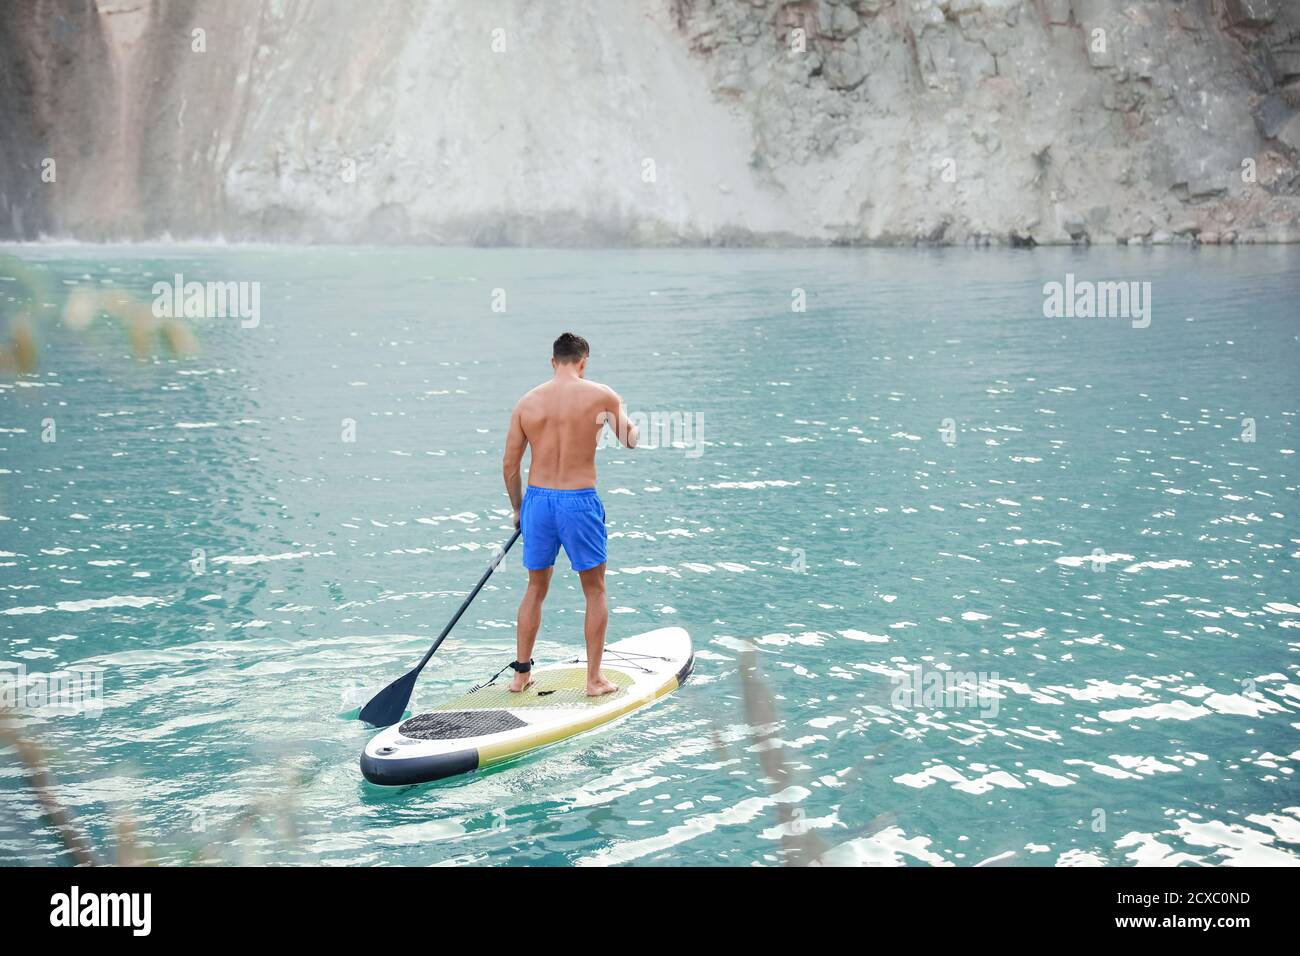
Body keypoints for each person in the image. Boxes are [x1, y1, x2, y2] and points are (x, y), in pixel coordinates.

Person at [501, 332, 638, 696]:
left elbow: (510, 464)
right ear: (583, 362)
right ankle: (594, 680)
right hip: (578, 500)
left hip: (538, 502)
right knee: (594, 590)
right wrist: (621, 408)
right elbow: (630, 440)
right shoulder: (601, 395)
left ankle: (521, 675)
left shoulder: (527, 403)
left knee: (535, 587)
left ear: (553, 361)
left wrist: (518, 508)